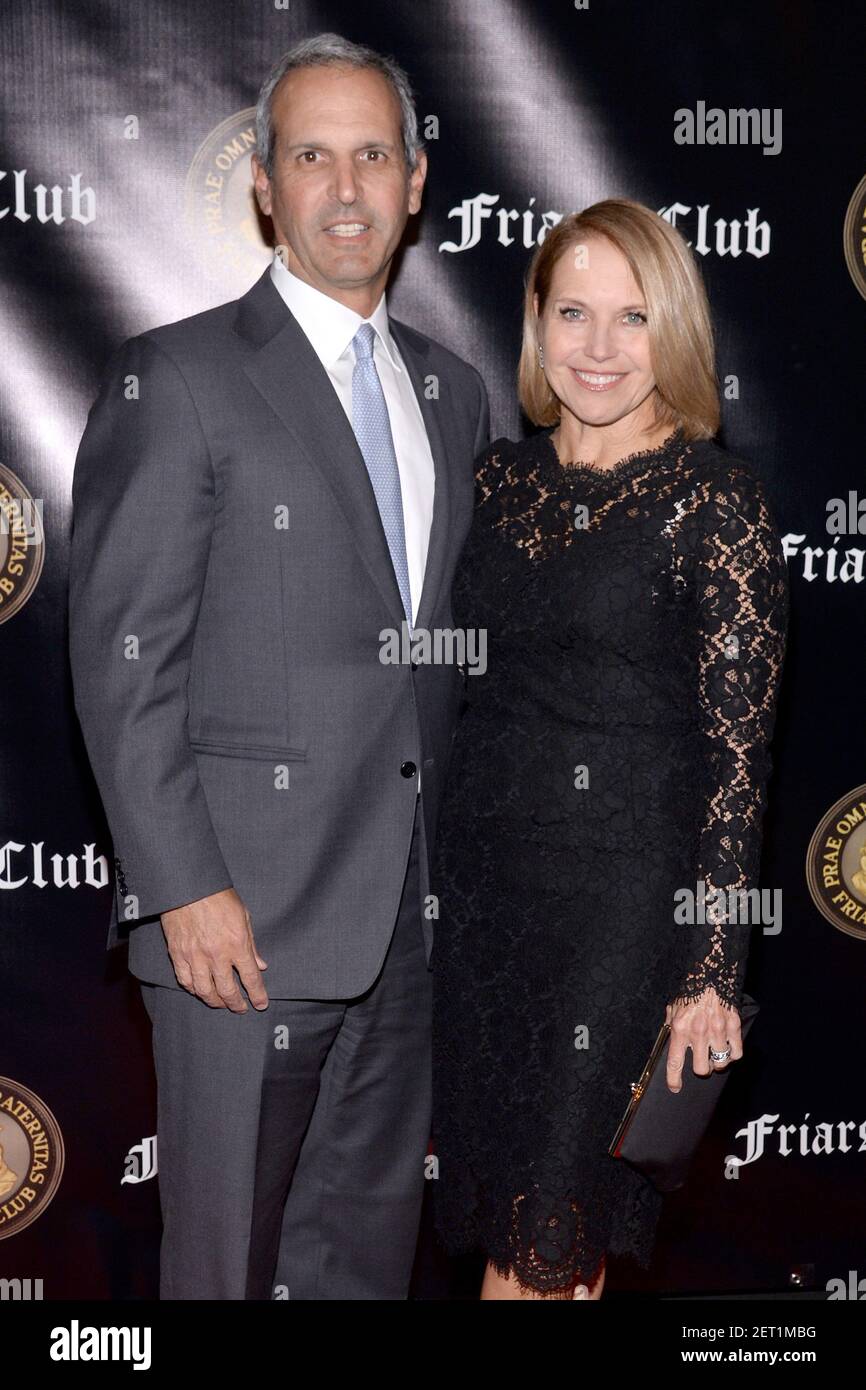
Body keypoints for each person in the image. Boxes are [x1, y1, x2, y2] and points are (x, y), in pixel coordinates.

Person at [68, 32, 489, 1300]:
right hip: (236, 929)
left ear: (417, 182)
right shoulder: (177, 376)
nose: (346, 188)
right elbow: (121, 656)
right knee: (224, 1269)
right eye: (313, 155)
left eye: (374, 154)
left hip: (407, 928)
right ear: (265, 182)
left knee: (358, 1265)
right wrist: (180, 886)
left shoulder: (453, 391)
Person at [430, 198, 788, 1300]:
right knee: (517, 1235)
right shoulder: (494, 484)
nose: (596, 347)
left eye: (629, 317)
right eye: (571, 311)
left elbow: (738, 764)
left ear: (670, 330)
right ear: (533, 323)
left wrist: (709, 972)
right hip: (482, 905)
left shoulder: (713, 502)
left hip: (619, 920)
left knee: (548, 1233)